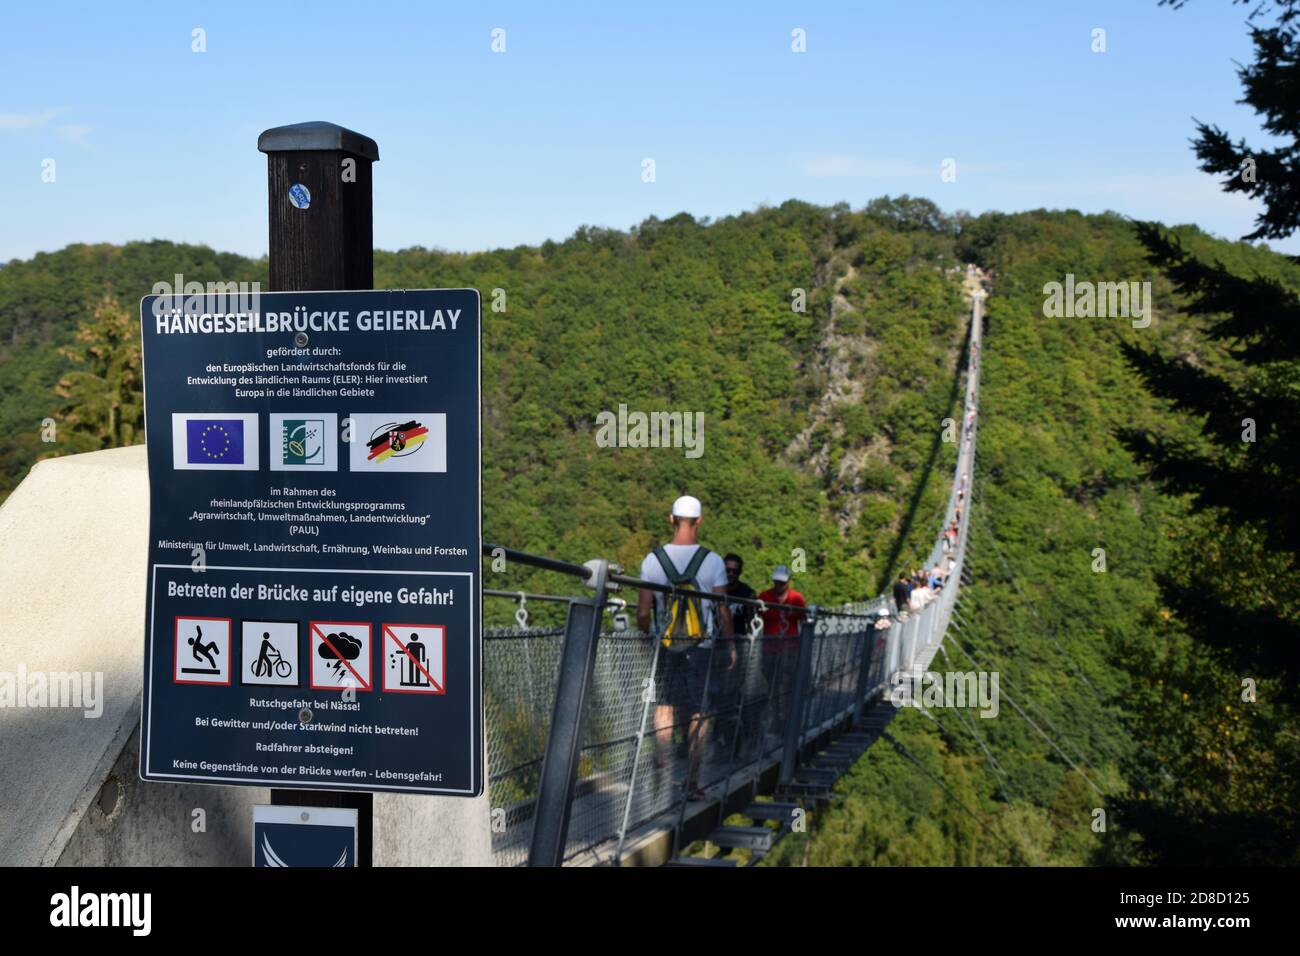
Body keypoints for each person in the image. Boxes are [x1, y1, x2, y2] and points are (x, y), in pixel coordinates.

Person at [636, 495, 732, 800]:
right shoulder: (713, 561)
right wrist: (729, 645)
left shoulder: (653, 560)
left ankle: (662, 766)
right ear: (699, 521)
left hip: (665, 645)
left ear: (671, 519)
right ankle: (692, 781)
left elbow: (642, 612)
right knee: (698, 711)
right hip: (701, 646)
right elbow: (722, 610)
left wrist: (644, 637)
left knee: (664, 705)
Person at [758, 565, 807, 732]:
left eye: (782, 583)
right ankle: (774, 716)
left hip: (790, 648)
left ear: (788, 582)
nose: (779, 585)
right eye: (777, 582)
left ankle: (787, 718)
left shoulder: (797, 599)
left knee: (787, 684)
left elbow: (804, 619)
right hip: (770, 648)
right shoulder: (764, 596)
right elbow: (756, 617)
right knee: (771, 683)